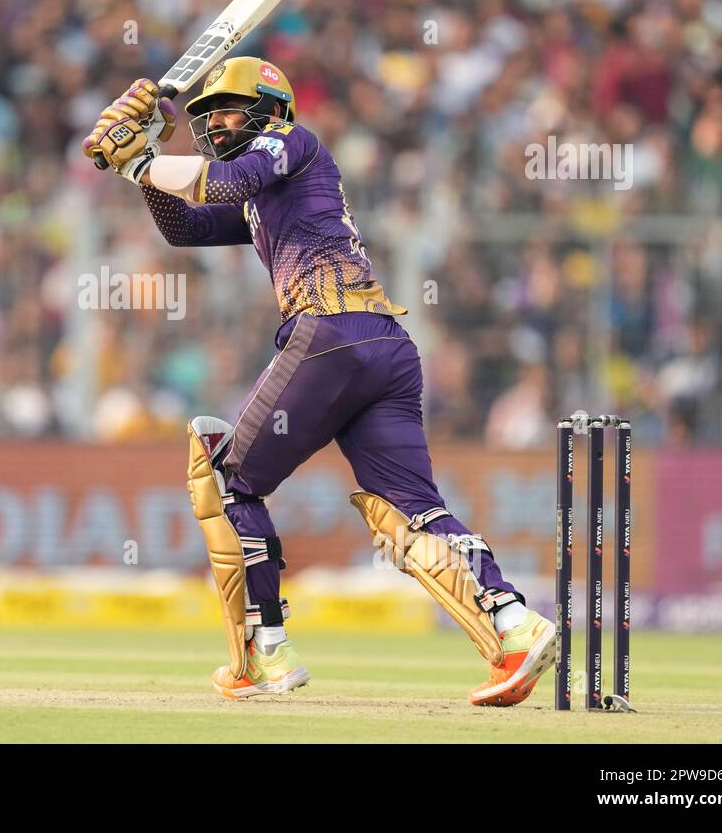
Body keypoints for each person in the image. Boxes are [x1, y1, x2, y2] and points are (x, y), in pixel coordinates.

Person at [81, 58, 556, 706]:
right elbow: (185, 227)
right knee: (413, 508)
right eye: (206, 114)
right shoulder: (262, 191)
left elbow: (222, 183)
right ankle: (514, 624)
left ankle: (267, 654)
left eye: (227, 109)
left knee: (224, 480)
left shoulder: (289, 141)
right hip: (384, 347)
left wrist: (137, 160)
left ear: (272, 109)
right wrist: (150, 158)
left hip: (331, 334)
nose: (215, 122)